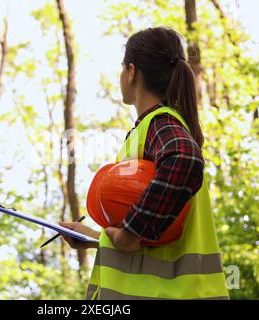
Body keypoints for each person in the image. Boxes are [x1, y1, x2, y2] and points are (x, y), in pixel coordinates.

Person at [59, 26, 229, 300]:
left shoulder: (160, 123)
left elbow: (184, 159)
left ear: (131, 72)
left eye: (121, 68)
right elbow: (155, 244)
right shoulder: (150, 129)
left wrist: (130, 233)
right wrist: (95, 237)